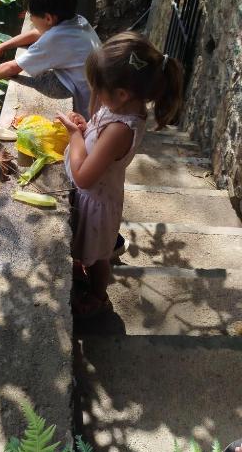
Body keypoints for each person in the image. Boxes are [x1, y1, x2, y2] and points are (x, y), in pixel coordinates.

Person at [57, 31, 183, 318]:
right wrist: (86, 127)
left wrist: (74, 135)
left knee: (99, 259)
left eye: (97, 90)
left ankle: (98, 297)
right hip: (97, 196)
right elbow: (98, 138)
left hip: (96, 203)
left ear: (122, 93)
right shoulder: (125, 110)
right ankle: (80, 267)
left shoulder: (120, 129)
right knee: (86, 247)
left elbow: (83, 177)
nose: (95, 95)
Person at [0, 0, 100, 119]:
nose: (30, 19)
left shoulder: (54, 39)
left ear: (48, 18)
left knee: (29, 76)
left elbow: (13, 67)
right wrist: (3, 46)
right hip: (96, 87)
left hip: (87, 104)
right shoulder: (78, 21)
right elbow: (38, 33)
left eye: (32, 16)